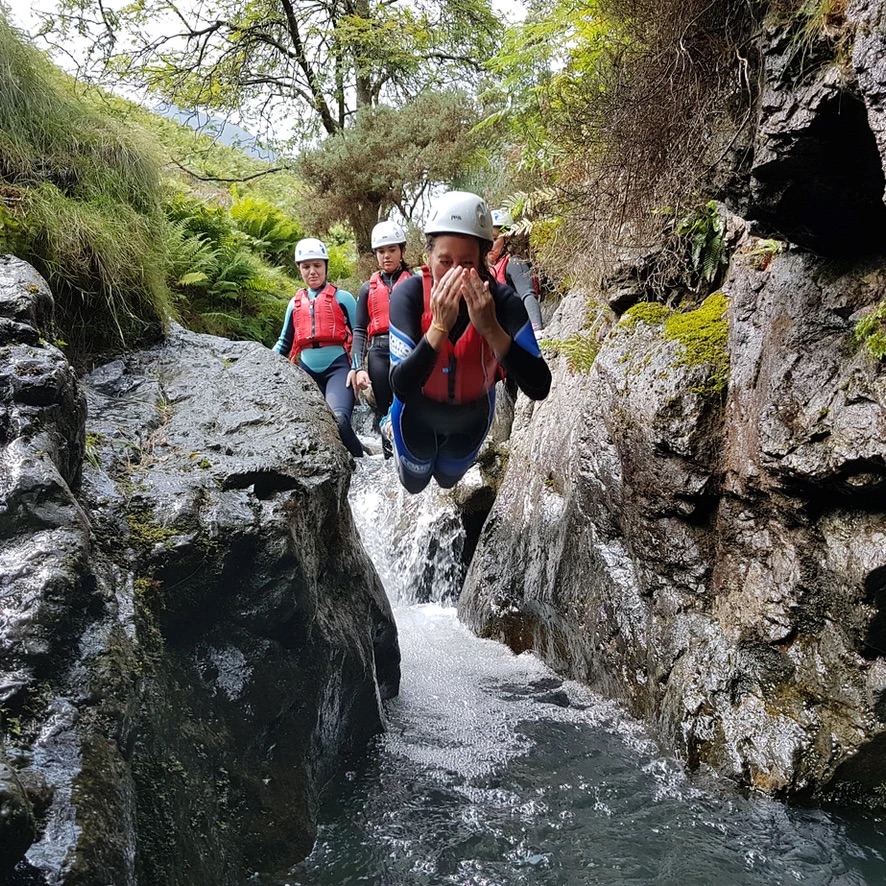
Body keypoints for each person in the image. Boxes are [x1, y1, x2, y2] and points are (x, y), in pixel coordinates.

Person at [388, 191, 551, 493]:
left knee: (447, 481)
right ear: (428, 258)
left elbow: (540, 386)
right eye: (444, 261)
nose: (455, 272)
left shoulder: (502, 301)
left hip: (472, 416)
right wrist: (439, 327)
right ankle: (391, 434)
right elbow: (400, 386)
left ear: (482, 260)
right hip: (416, 414)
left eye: (466, 262)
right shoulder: (409, 294)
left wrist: (491, 328)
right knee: (414, 484)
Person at [273, 237, 364, 458]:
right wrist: (261, 364)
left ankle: (363, 462)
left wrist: (358, 367)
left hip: (338, 370)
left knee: (339, 421)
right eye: (306, 267)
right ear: (299, 269)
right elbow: (284, 343)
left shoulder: (343, 298)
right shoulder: (294, 304)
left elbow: (360, 335)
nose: (312, 271)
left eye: (317, 265)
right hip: (306, 372)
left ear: (325, 267)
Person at [347, 220, 413, 459]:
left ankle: (412, 456)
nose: (386, 256)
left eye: (392, 250)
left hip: (408, 350)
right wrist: (357, 368)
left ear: (402, 251)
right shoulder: (368, 289)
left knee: (410, 406)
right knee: (385, 410)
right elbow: (359, 331)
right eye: (381, 251)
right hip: (378, 353)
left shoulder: (415, 282)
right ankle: (389, 459)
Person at [487, 208, 544, 331]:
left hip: (520, 331)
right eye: (487, 240)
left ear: (507, 238)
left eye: (495, 239)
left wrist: (536, 329)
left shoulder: (515, 263)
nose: (489, 245)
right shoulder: (492, 269)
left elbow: (528, 295)